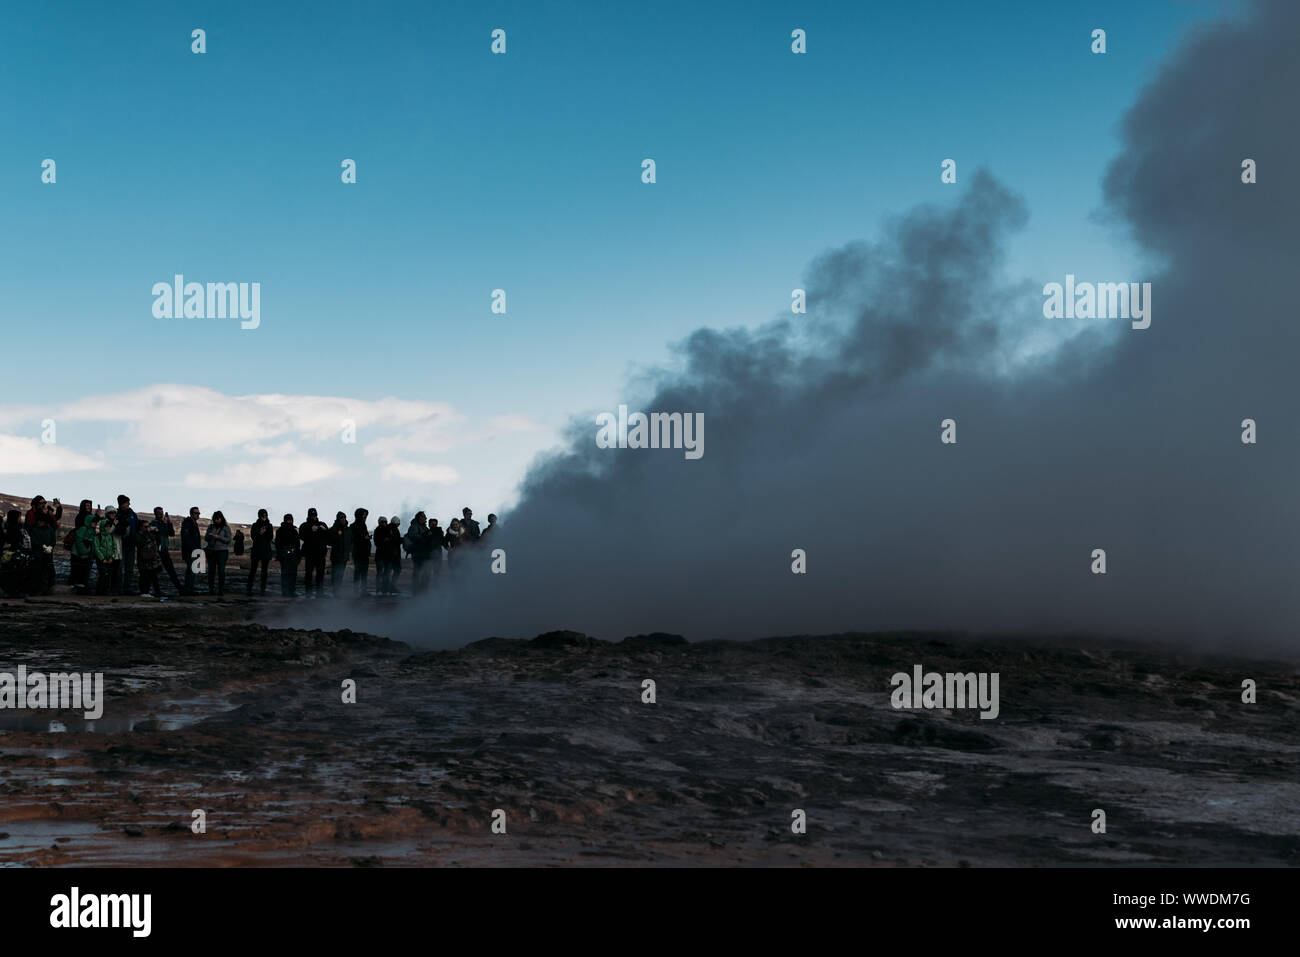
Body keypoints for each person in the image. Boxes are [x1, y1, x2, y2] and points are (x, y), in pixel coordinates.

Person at [25, 495, 62, 595]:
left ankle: (47, 588)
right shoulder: (31, 513)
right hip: (36, 547)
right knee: (37, 570)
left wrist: (58, 509)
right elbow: (30, 527)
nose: (43, 505)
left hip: (47, 545)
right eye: (41, 503)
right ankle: (37, 589)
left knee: (48, 569)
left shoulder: (45, 517)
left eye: (44, 503)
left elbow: (54, 522)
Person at [150, 507, 184, 595]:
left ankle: (180, 589)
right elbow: (159, 532)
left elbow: (171, 533)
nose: (160, 514)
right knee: (155, 572)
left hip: (164, 550)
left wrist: (169, 523)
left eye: (161, 513)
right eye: (159, 513)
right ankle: (157, 591)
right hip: (157, 551)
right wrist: (164, 524)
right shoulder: (153, 523)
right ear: (155, 514)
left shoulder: (164, 523)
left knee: (170, 570)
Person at [299, 508, 330, 597]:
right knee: (308, 574)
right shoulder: (304, 525)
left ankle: (320, 593)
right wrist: (310, 529)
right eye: (312, 515)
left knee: (320, 574)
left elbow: (328, 536)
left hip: (320, 554)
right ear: (309, 516)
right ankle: (308, 593)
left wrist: (324, 530)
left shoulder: (322, 524)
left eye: (315, 515)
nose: (314, 517)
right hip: (310, 554)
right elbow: (301, 536)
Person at [113, 495, 138, 595]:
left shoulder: (132, 514)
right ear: (122, 503)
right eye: (127, 502)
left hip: (131, 544)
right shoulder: (117, 514)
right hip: (120, 544)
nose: (129, 504)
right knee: (119, 567)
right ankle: (118, 588)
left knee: (129, 567)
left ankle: (127, 588)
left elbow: (136, 525)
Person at [68, 500, 95, 593]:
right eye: (86, 505)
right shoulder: (80, 518)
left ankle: (81, 585)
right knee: (76, 568)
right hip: (79, 548)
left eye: (89, 505)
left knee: (83, 568)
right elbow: (79, 536)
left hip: (85, 549)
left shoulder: (91, 520)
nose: (88, 507)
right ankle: (73, 586)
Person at [204, 511, 232, 597]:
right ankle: (211, 589)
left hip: (222, 552)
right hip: (211, 551)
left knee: (221, 571)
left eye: (218, 519)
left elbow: (228, 540)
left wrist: (218, 537)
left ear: (221, 518)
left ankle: (220, 590)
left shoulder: (226, 528)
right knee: (211, 571)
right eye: (215, 519)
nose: (216, 521)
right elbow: (206, 538)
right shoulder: (210, 527)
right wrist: (210, 536)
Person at [404, 513, 434, 594]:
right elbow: (414, 537)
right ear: (419, 518)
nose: (426, 518)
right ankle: (416, 590)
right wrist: (426, 535)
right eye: (424, 517)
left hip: (424, 552)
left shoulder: (424, 527)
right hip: (418, 553)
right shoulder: (414, 526)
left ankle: (423, 590)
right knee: (418, 572)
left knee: (425, 572)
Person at [72, 507, 99, 595]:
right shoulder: (83, 529)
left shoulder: (93, 531)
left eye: (96, 522)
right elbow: (78, 541)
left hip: (86, 556)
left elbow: (93, 543)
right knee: (77, 572)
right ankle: (75, 590)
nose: (95, 523)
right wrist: (83, 553)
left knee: (84, 573)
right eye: (93, 522)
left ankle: (82, 590)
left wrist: (92, 553)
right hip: (78, 555)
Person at [246, 509, 274, 596]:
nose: (264, 517)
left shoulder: (269, 526)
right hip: (256, 551)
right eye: (263, 516)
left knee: (264, 571)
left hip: (265, 551)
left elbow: (270, 538)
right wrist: (260, 533)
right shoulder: (255, 525)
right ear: (259, 516)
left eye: (266, 516)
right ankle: (249, 589)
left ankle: (263, 590)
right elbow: (253, 537)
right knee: (253, 570)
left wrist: (265, 532)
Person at [93, 509, 119, 595]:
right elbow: (96, 548)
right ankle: (99, 591)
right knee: (102, 575)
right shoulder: (98, 537)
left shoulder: (111, 537)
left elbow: (115, 548)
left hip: (110, 559)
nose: (108, 528)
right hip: (101, 560)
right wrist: (102, 558)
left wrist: (112, 557)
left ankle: (106, 591)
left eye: (109, 526)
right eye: (106, 526)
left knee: (109, 575)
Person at [275, 514, 300, 597]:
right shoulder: (280, 531)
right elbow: (277, 544)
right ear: (285, 520)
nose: (290, 521)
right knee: (285, 574)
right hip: (284, 555)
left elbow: (297, 544)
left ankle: (292, 591)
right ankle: (285, 592)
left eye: (291, 520)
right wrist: (280, 554)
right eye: (288, 520)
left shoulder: (294, 531)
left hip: (293, 555)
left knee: (293, 574)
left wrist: (298, 555)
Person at [136, 521, 163, 598]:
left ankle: (156, 592)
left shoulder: (150, 534)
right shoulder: (139, 535)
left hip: (152, 558)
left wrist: (156, 533)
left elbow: (157, 542)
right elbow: (141, 543)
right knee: (144, 576)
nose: (148, 528)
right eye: (145, 527)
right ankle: (144, 592)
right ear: (141, 527)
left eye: (148, 526)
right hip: (144, 559)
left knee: (154, 576)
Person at [180, 506, 203, 594]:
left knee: (192, 570)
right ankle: (188, 589)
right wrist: (194, 549)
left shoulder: (192, 523)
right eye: (196, 513)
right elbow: (186, 538)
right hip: (190, 551)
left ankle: (189, 588)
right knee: (191, 570)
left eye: (198, 513)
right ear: (191, 514)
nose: (198, 515)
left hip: (193, 550)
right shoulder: (188, 523)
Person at [328, 511, 351, 595]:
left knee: (340, 574)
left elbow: (349, 541)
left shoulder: (347, 529)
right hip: (336, 556)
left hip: (344, 556)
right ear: (338, 519)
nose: (343, 519)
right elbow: (329, 541)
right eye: (341, 518)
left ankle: (338, 590)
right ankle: (335, 591)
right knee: (335, 574)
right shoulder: (334, 528)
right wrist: (337, 535)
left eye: (344, 517)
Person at [350, 508, 371, 596]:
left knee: (364, 572)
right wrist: (364, 538)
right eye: (363, 514)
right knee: (358, 571)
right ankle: (356, 590)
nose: (365, 516)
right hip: (358, 552)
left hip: (364, 552)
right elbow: (354, 538)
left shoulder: (363, 525)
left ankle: (363, 590)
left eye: (365, 514)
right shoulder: (354, 526)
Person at [373, 517, 391, 594]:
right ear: (379, 523)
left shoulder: (388, 530)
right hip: (380, 555)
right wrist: (384, 540)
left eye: (385, 522)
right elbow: (376, 542)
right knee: (380, 572)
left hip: (387, 555)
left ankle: (385, 588)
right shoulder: (377, 530)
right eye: (382, 522)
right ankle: (378, 588)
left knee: (386, 573)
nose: (384, 523)